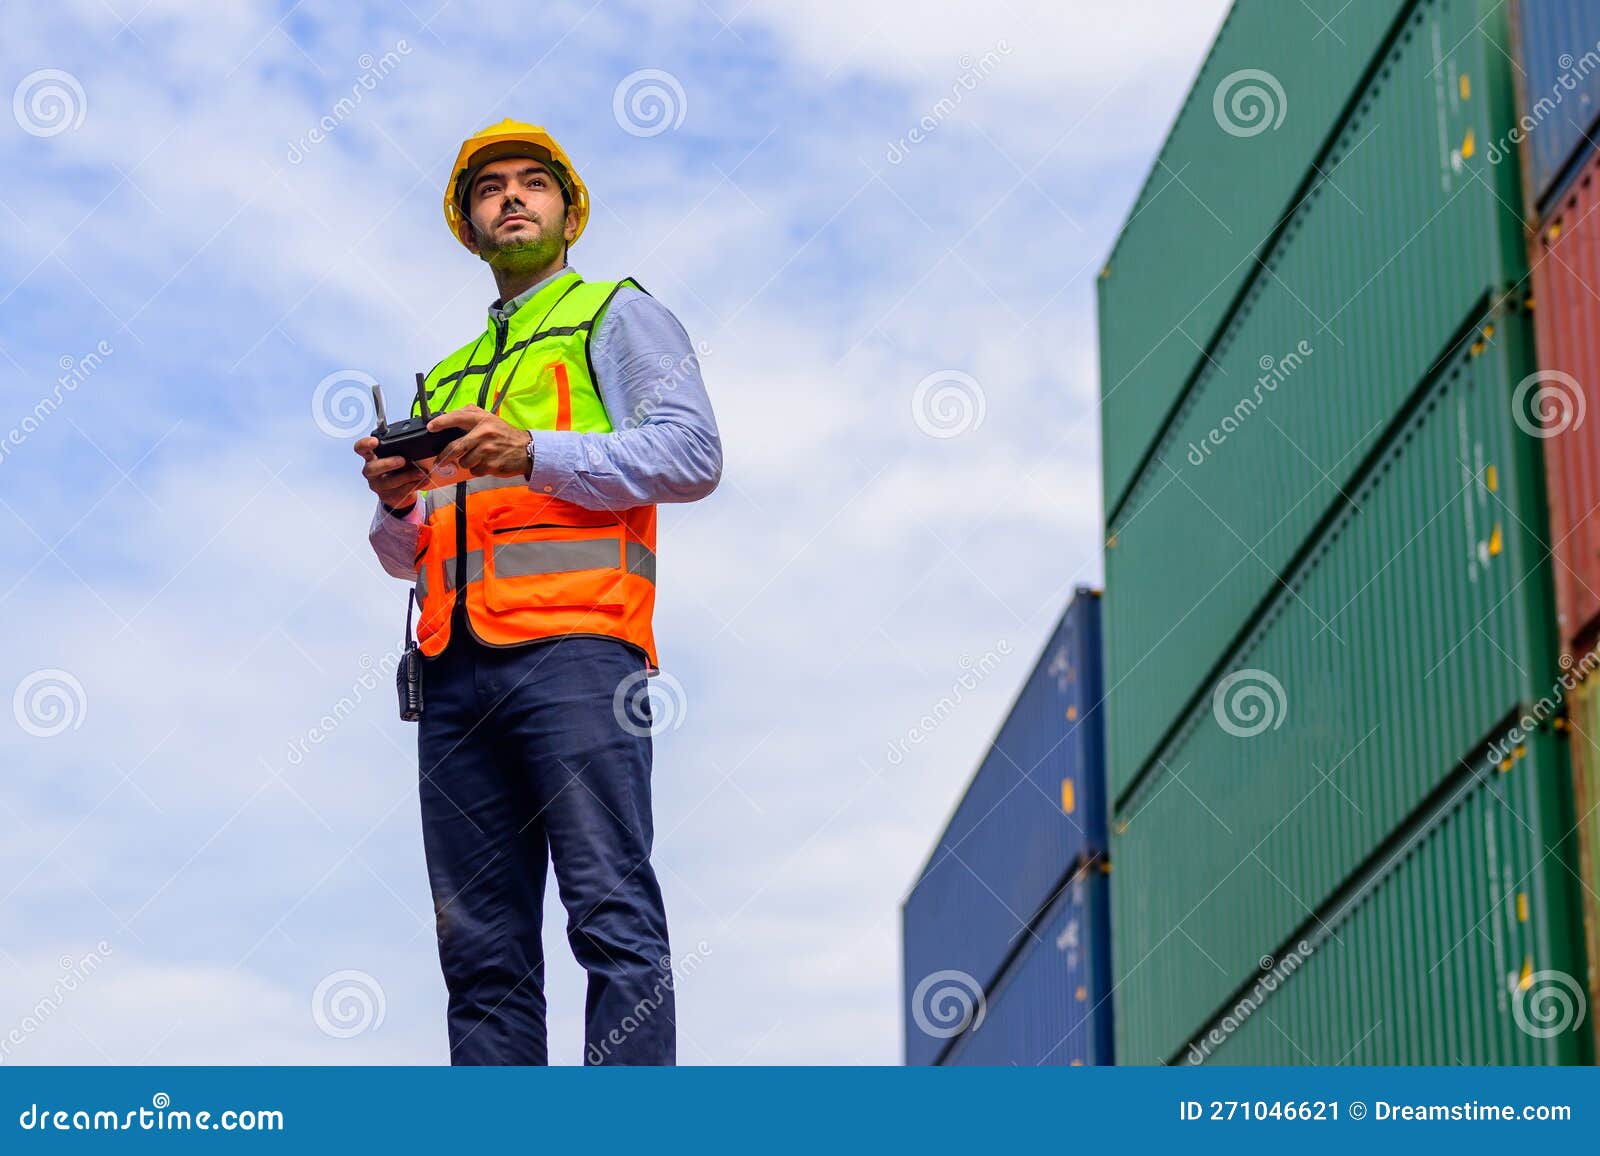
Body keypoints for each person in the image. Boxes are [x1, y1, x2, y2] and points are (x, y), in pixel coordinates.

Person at [354, 119, 721, 1065]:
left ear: (569, 213)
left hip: (579, 654)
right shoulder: (445, 378)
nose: (511, 197)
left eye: (532, 184)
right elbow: (410, 555)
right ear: (469, 229)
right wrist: (398, 505)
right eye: (490, 190)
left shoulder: (617, 314)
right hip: (454, 673)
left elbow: (693, 454)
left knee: (609, 913)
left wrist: (532, 451)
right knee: (479, 951)